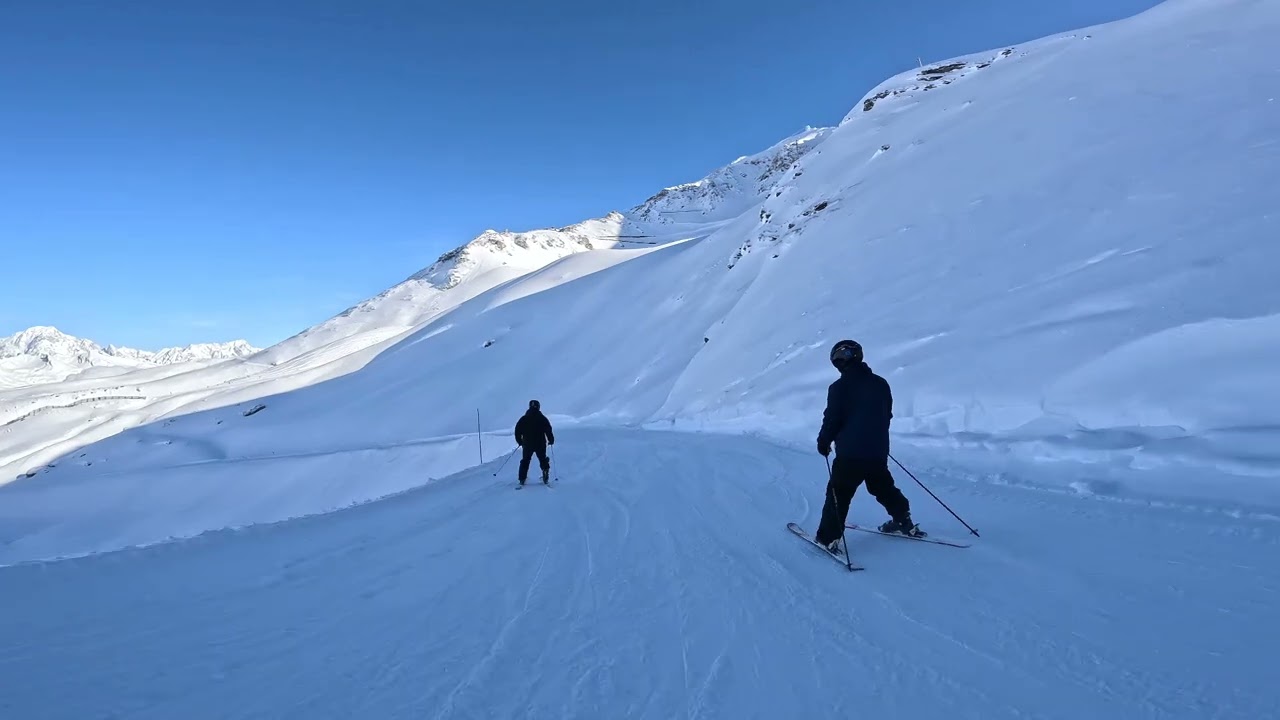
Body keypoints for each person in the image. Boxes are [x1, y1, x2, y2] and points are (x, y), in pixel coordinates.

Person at [813, 340, 923, 553]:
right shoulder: (881, 384)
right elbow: (886, 415)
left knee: (839, 493)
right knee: (882, 487)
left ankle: (828, 538)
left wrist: (824, 441)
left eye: (841, 356)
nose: (840, 360)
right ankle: (903, 520)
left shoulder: (838, 387)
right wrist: (874, 438)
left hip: (850, 455)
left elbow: (832, 419)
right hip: (877, 451)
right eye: (837, 356)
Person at [514, 399, 555, 485]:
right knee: (543, 459)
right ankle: (545, 472)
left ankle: (522, 479)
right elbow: (548, 429)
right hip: (540, 443)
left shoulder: (524, 418)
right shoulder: (542, 418)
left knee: (525, 460)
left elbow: (517, 430)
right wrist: (551, 439)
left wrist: (520, 441)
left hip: (527, 443)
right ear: (539, 407)